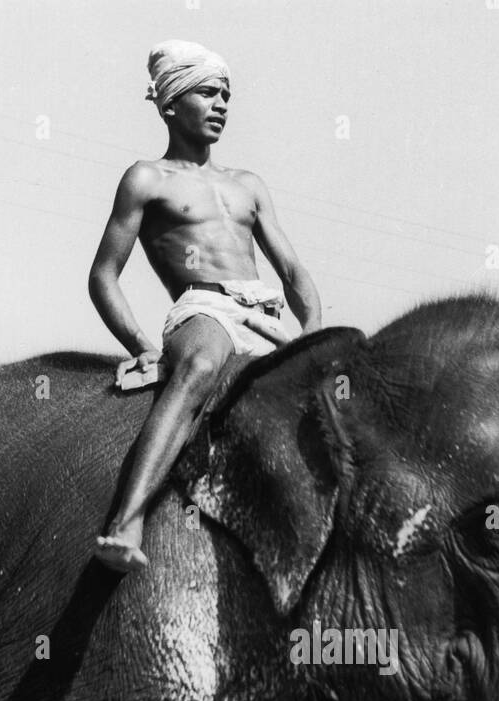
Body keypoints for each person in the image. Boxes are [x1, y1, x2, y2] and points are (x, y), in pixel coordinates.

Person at [90, 40, 322, 572]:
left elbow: (291, 271)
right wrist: (143, 347)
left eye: (226, 95)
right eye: (208, 92)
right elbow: (103, 275)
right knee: (198, 364)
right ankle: (126, 523)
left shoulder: (248, 185)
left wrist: (312, 328)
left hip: (265, 316)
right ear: (172, 102)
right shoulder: (147, 178)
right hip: (203, 309)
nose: (221, 104)